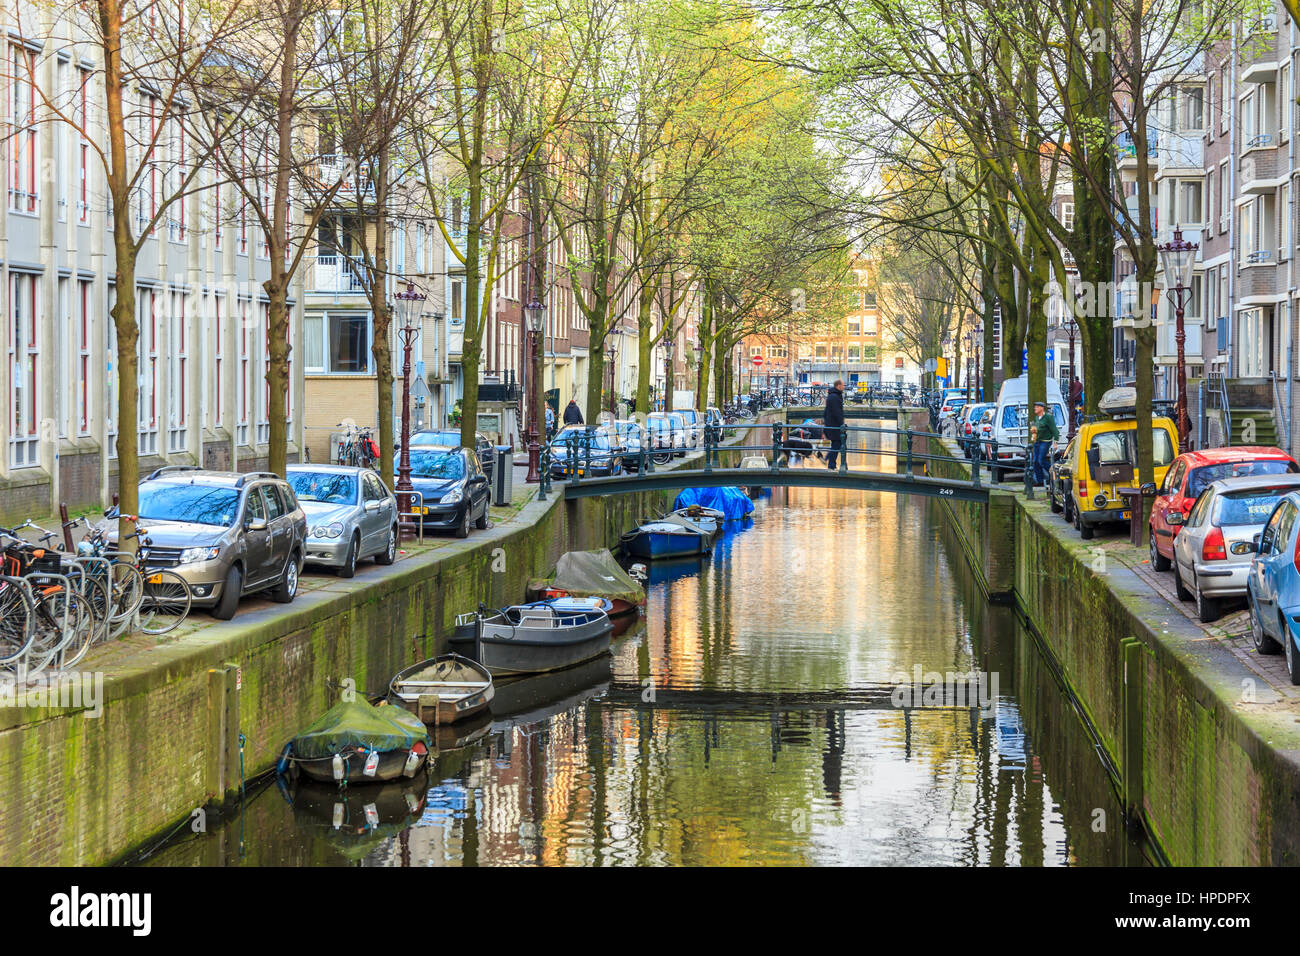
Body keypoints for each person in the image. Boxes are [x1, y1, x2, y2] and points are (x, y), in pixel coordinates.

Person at [1029, 400, 1059, 486]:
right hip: (1037, 441)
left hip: (1045, 442)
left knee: (1041, 460)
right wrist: (1034, 431)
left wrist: (1055, 442)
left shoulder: (1048, 417)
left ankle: (1054, 474)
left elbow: (1055, 430)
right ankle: (1040, 481)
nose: (1035, 408)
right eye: (1035, 406)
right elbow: (1037, 428)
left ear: (1042, 408)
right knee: (1035, 461)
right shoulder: (1036, 418)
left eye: (1037, 407)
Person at [823, 379, 846, 470]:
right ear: (838, 386)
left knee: (836, 444)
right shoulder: (834, 397)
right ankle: (831, 463)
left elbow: (826, 412)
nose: (844, 387)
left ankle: (831, 463)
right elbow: (837, 412)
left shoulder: (833, 396)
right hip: (834, 426)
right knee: (838, 443)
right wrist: (842, 424)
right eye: (843, 385)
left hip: (831, 425)